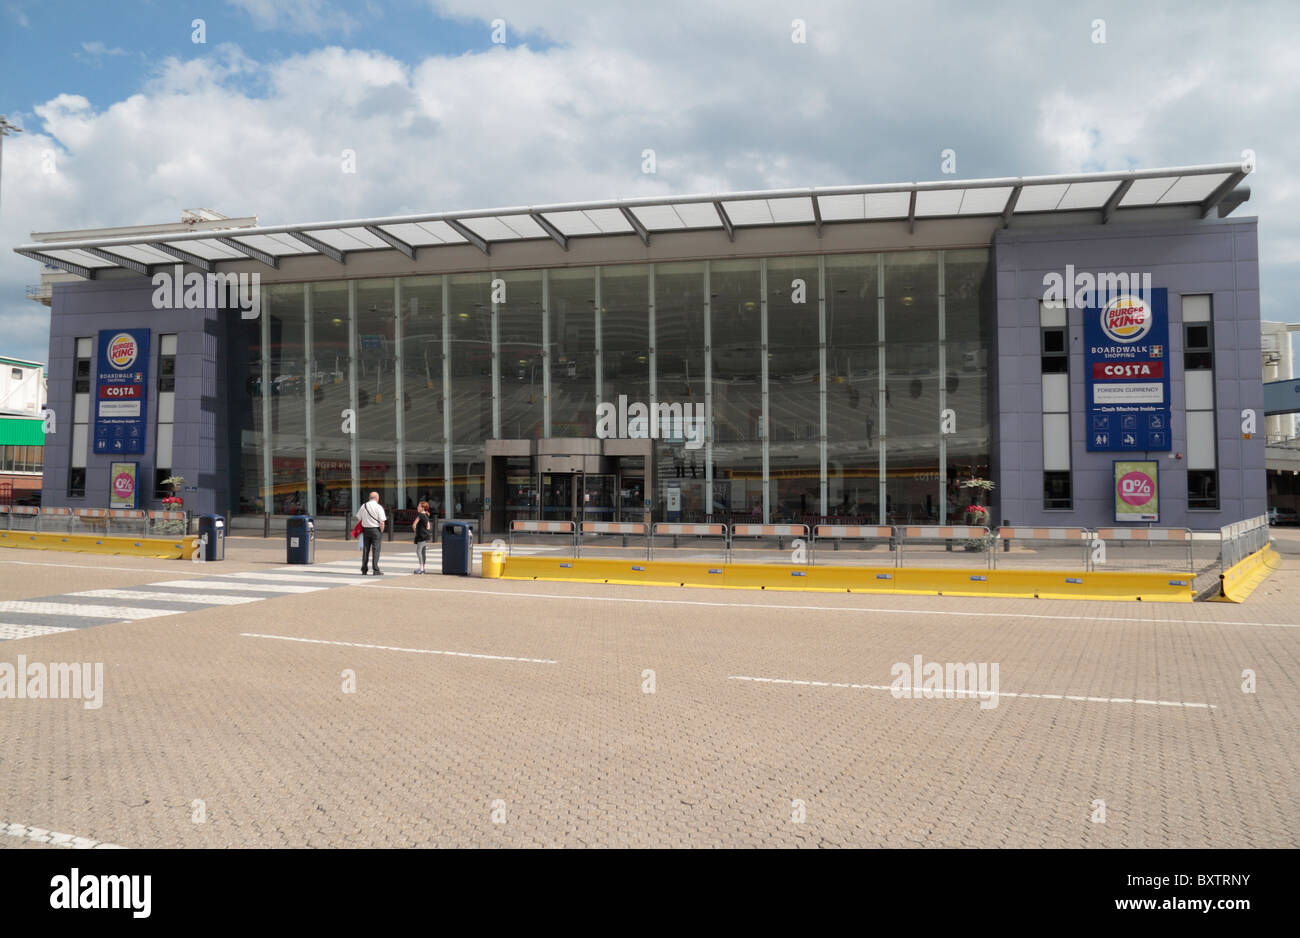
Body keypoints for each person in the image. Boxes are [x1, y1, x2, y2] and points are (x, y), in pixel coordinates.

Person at [356, 491, 387, 575]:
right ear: (377, 498)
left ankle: (364, 569)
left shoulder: (364, 506)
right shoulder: (378, 507)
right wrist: (381, 531)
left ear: (369, 498)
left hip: (366, 530)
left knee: (366, 550)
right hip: (375, 530)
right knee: (376, 550)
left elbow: (359, 518)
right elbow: (382, 522)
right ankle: (375, 569)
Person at [412, 500, 431, 574]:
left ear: (422, 508)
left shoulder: (420, 515)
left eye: (418, 506)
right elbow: (428, 527)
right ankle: (423, 567)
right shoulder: (426, 516)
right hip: (426, 536)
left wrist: (416, 532)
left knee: (418, 552)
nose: (417, 507)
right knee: (423, 553)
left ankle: (421, 569)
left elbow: (414, 525)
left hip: (421, 536)